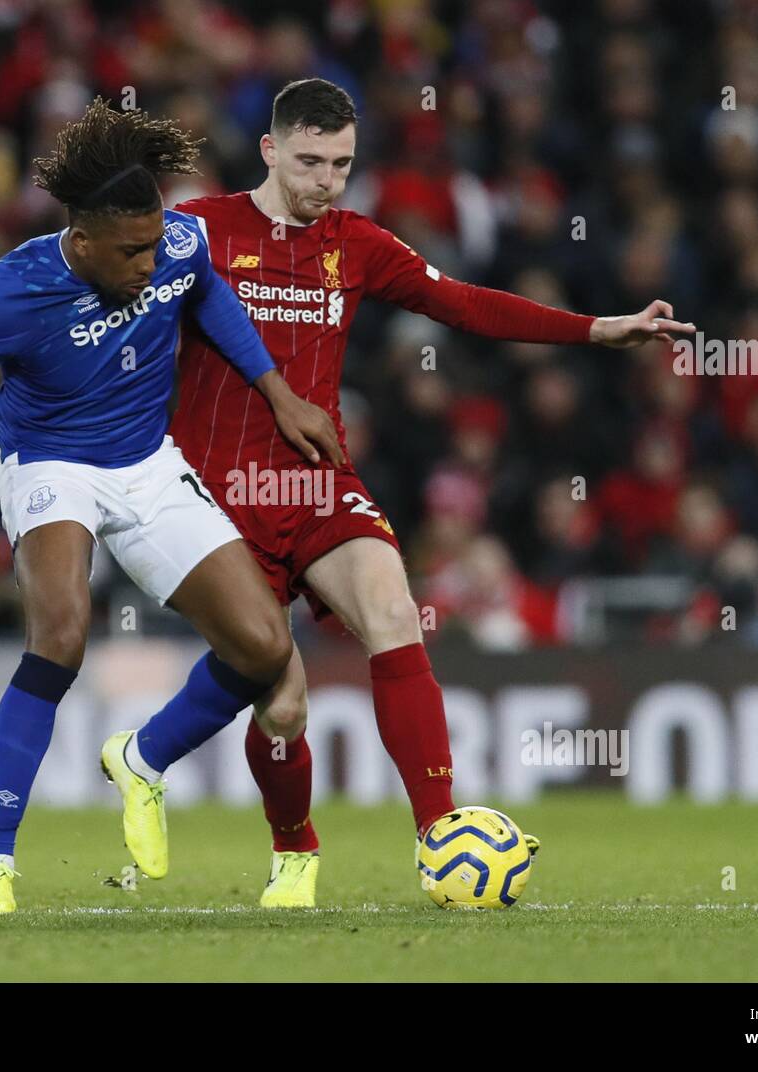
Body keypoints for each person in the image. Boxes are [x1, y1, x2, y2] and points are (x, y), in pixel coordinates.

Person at [110, 78, 696, 907]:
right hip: (216, 497)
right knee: (282, 706)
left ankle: (441, 834)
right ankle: (294, 850)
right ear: (271, 151)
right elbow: (102, 298)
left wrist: (598, 329)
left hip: (318, 479)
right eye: (309, 161)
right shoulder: (198, 232)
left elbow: (463, 305)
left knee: (391, 606)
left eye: (342, 164)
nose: (326, 181)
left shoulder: (356, 243)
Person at [0, 98, 341, 914]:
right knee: (61, 634)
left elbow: (208, 294)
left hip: (145, 462)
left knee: (265, 645)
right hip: (49, 465)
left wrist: (276, 393)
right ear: (84, 238)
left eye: (153, 243)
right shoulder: (4, 294)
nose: (148, 262)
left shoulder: (174, 245)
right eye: (129, 250)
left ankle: (142, 759)